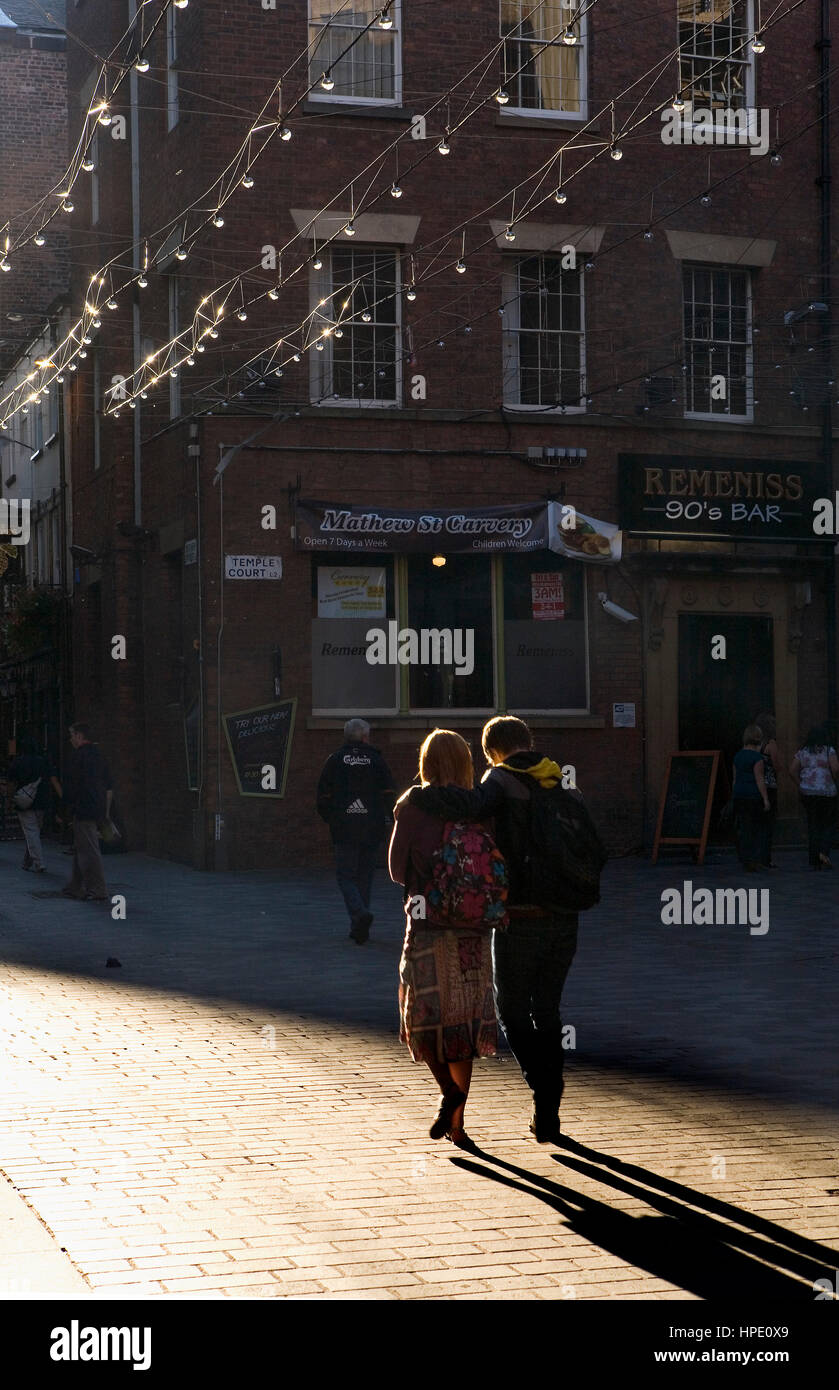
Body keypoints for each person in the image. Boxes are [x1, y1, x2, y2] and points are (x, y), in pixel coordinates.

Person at [409, 715, 588, 1145]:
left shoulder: (502, 779)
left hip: (520, 919)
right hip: (565, 917)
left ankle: (544, 1091)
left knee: (511, 1011)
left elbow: (468, 806)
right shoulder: (559, 779)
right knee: (547, 1011)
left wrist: (420, 794)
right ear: (528, 741)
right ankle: (548, 1111)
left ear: (493, 752)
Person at [389, 729, 503, 1151]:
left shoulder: (414, 805)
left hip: (427, 925)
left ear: (427, 762)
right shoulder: (481, 807)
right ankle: (457, 1125)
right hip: (473, 931)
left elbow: (397, 871)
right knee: (464, 1025)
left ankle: (448, 1093)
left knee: (421, 1017)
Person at [316, 718, 395, 943]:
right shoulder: (376, 760)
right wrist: (389, 819)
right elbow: (390, 792)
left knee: (346, 876)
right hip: (372, 827)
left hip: (344, 828)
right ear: (365, 737)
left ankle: (359, 915)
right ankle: (360, 923)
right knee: (365, 876)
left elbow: (322, 796)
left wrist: (331, 818)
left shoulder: (335, 760)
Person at [60, 722, 113, 902]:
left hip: (83, 807)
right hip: (96, 806)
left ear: (80, 736)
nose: (70, 739)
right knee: (81, 845)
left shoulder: (78, 757)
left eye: (72, 735)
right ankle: (75, 885)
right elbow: (108, 785)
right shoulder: (99, 755)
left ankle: (98, 889)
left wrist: (65, 807)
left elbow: (72, 785)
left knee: (89, 848)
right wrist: (105, 811)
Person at [790, 724, 839, 869]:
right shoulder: (829, 751)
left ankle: (814, 859)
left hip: (808, 792)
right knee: (828, 823)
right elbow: (836, 768)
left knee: (813, 824)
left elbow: (792, 770)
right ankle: (824, 852)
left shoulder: (803, 752)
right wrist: (834, 781)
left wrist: (801, 784)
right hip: (827, 791)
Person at [8, 733, 57, 874]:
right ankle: (28, 861)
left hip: (24, 802)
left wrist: (11, 799)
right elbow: (51, 779)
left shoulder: (17, 762)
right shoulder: (43, 761)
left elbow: (11, 783)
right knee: (35, 832)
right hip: (41, 801)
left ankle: (39, 863)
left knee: (31, 832)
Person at [732, 724, 771, 871]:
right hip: (753, 795)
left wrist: (734, 795)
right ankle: (754, 860)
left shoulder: (737, 756)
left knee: (744, 828)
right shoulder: (757, 757)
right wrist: (766, 799)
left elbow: (735, 778)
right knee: (755, 828)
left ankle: (745, 859)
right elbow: (759, 779)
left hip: (739, 794)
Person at [754, 711, 780, 867]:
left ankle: (756, 856)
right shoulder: (771, 744)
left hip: (756, 786)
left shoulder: (756, 744)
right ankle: (765, 858)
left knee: (758, 823)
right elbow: (777, 765)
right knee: (768, 824)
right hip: (769, 786)